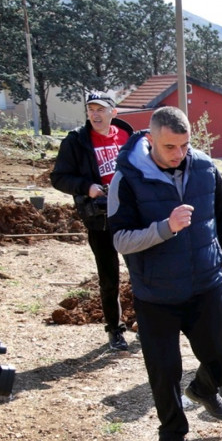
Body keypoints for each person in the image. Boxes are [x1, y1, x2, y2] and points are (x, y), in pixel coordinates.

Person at [109, 107, 222, 441]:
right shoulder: (128, 178)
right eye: (170, 147)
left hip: (205, 281)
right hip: (156, 292)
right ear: (150, 140)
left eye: (185, 145)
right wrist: (165, 228)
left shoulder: (205, 168)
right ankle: (171, 433)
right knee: (164, 370)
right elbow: (120, 239)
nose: (179, 154)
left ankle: (204, 389)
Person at [50, 91, 134, 351]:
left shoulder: (128, 136)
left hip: (130, 214)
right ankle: (115, 330)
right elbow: (59, 177)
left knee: (141, 272)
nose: (95, 115)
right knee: (109, 277)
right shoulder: (76, 141)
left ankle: (146, 323)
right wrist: (87, 187)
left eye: (100, 109)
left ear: (113, 112)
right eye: (91, 110)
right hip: (100, 218)